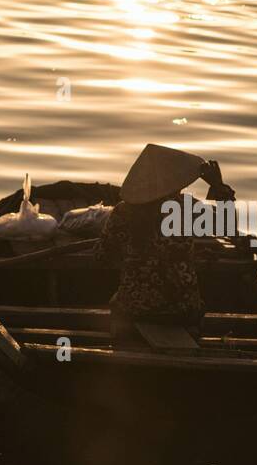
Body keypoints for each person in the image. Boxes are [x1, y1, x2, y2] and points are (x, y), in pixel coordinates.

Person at [94, 144, 236, 346]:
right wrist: (219, 186)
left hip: (134, 307)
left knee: (119, 298)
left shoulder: (122, 212)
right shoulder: (187, 208)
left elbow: (102, 256)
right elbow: (227, 227)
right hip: (182, 310)